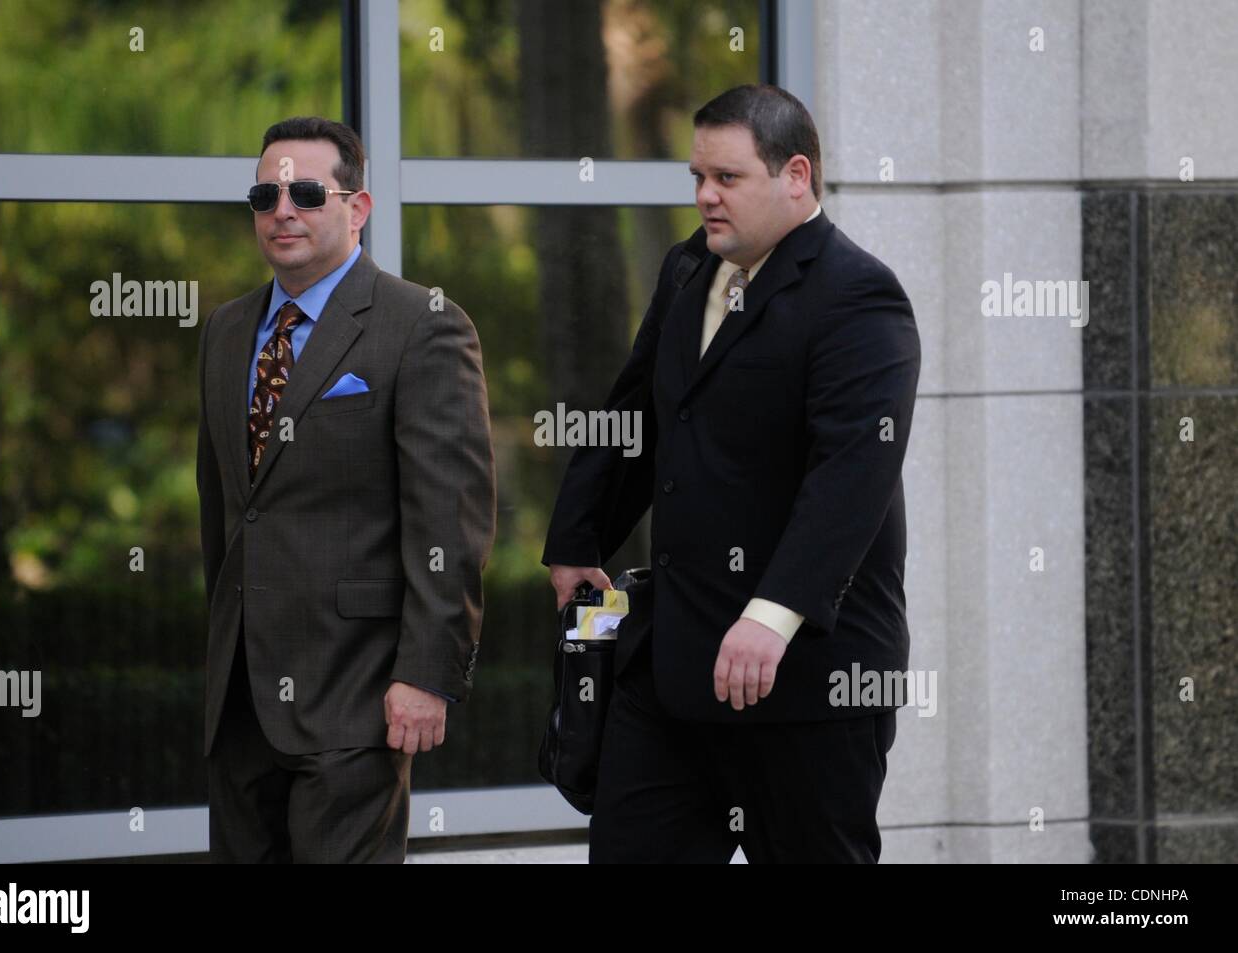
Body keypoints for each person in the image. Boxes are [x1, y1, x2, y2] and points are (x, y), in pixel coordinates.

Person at [542, 84, 921, 863]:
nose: (706, 197)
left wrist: (772, 613)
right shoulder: (689, 267)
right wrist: (579, 536)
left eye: (727, 178)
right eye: (697, 177)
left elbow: (852, 473)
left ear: (796, 176)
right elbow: (638, 412)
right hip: (673, 669)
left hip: (809, 680)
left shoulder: (859, 295)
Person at [197, 116, 495, 863]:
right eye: (265, 194)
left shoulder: (420, 325)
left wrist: (428, 672)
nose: (283, 210)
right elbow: (226, 511)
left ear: (357, 209)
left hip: (356, 696)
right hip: (240, 703)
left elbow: (450, 521)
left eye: (305, 191)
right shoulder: (227, 331)